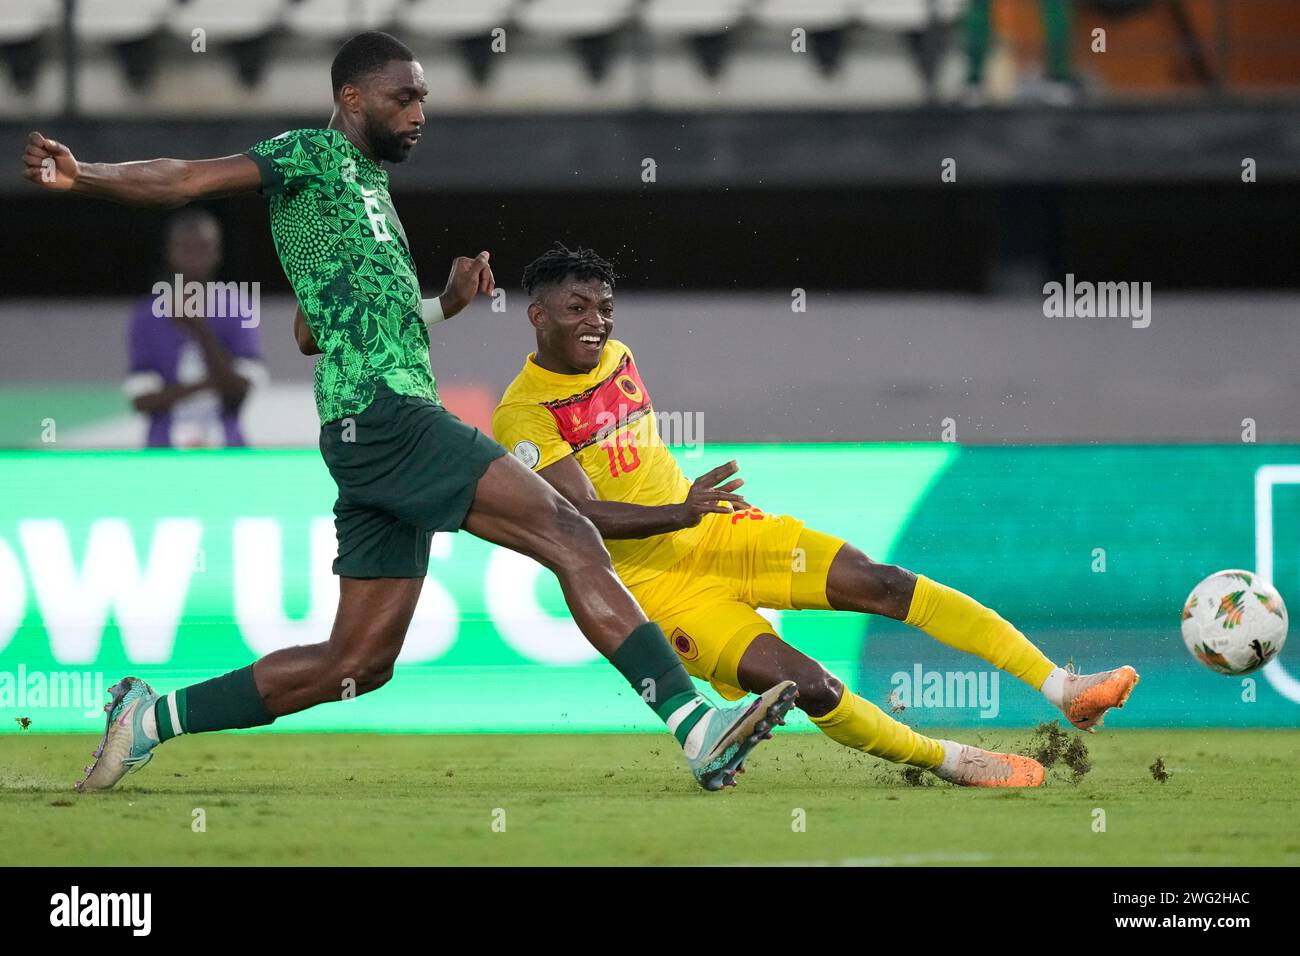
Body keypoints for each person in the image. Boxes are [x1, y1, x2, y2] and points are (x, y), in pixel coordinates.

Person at [23, 32, 795, 795]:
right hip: (387, 415)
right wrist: (83, 173)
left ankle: (148, 719)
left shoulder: (367, 189)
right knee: (569, 528)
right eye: (405, 96)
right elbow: (185, 177)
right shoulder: (310, 156)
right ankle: (694, 723)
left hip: (364, 431)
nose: (420, 111)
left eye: (424, 96)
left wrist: (443, 306)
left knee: (356, 664)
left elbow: (309, 330)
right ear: (351, 98)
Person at [492, 243, 1141, 788]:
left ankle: (1064, 689)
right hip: (660, 592)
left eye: (604, 308)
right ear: (536, 315)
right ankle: (953, 763)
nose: (596, 322)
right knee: (811, 685)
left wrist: (694, 508)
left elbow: (634, 460)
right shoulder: (523, 414)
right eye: (577, 309)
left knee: (883, 581)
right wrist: (680, 507)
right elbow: (579, 517)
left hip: (717, 531)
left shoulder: (617, 356)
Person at [124, 209, 264, 448]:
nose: (194, 258)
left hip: (227, 449)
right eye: (186, 249)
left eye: (203, 248)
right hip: (163, 452)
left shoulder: (238, 308)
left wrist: (198, 328)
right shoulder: (147, 316)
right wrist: (209, 384)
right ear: (170, 253)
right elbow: (142, 401)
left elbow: (238, 392)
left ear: (217, 253)